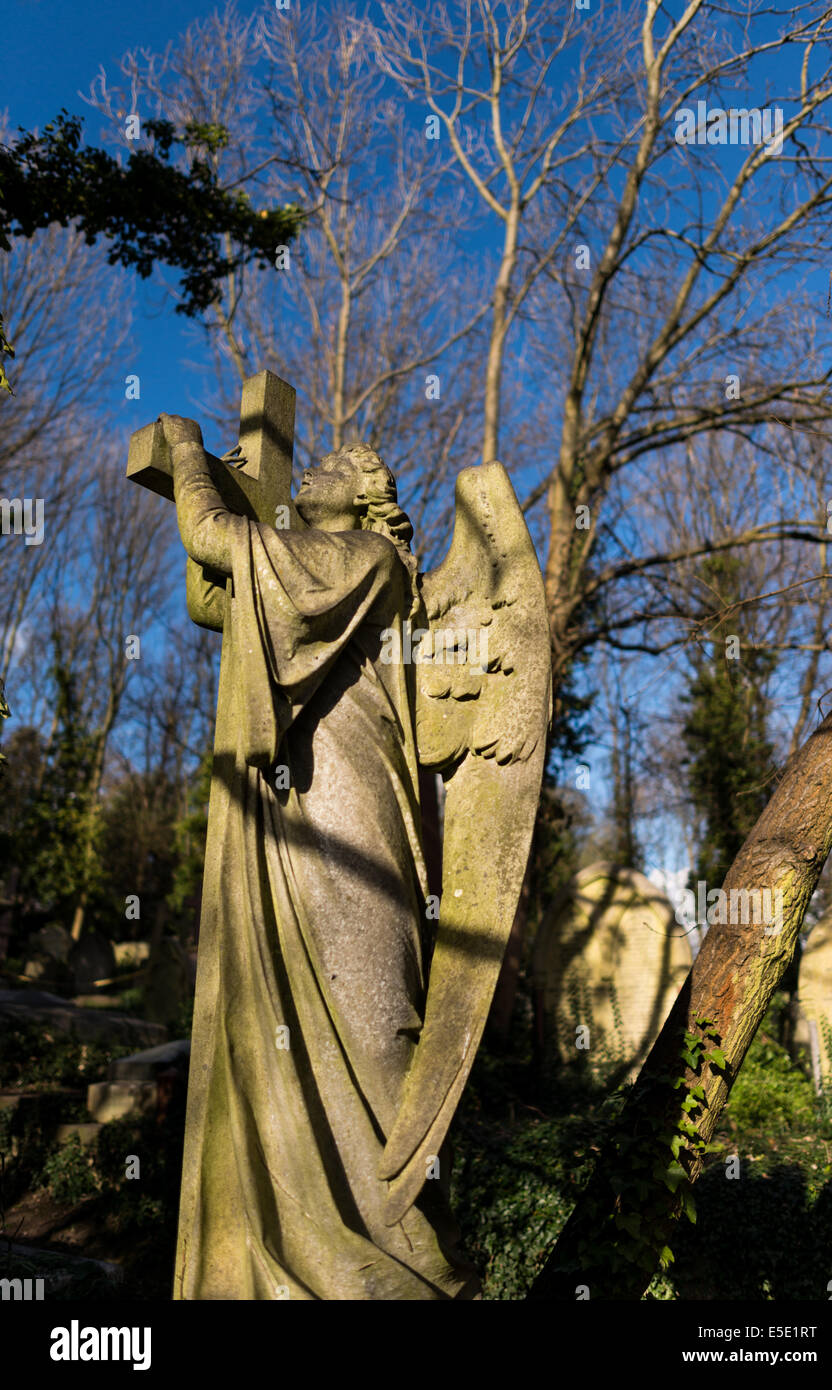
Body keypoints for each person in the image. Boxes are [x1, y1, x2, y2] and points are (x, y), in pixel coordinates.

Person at [161, 414, 478, 1300]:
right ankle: (291, 1249)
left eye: (340, 464)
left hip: (351, 828)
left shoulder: (366, 562)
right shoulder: (301, 562)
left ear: (366, 499)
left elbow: (214, 536)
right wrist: (217, 495)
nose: (321, 466)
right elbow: (210, 593)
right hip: (294, 817)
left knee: (376, 1037)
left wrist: (188, 453)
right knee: (279, 1027)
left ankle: (409, 1265)